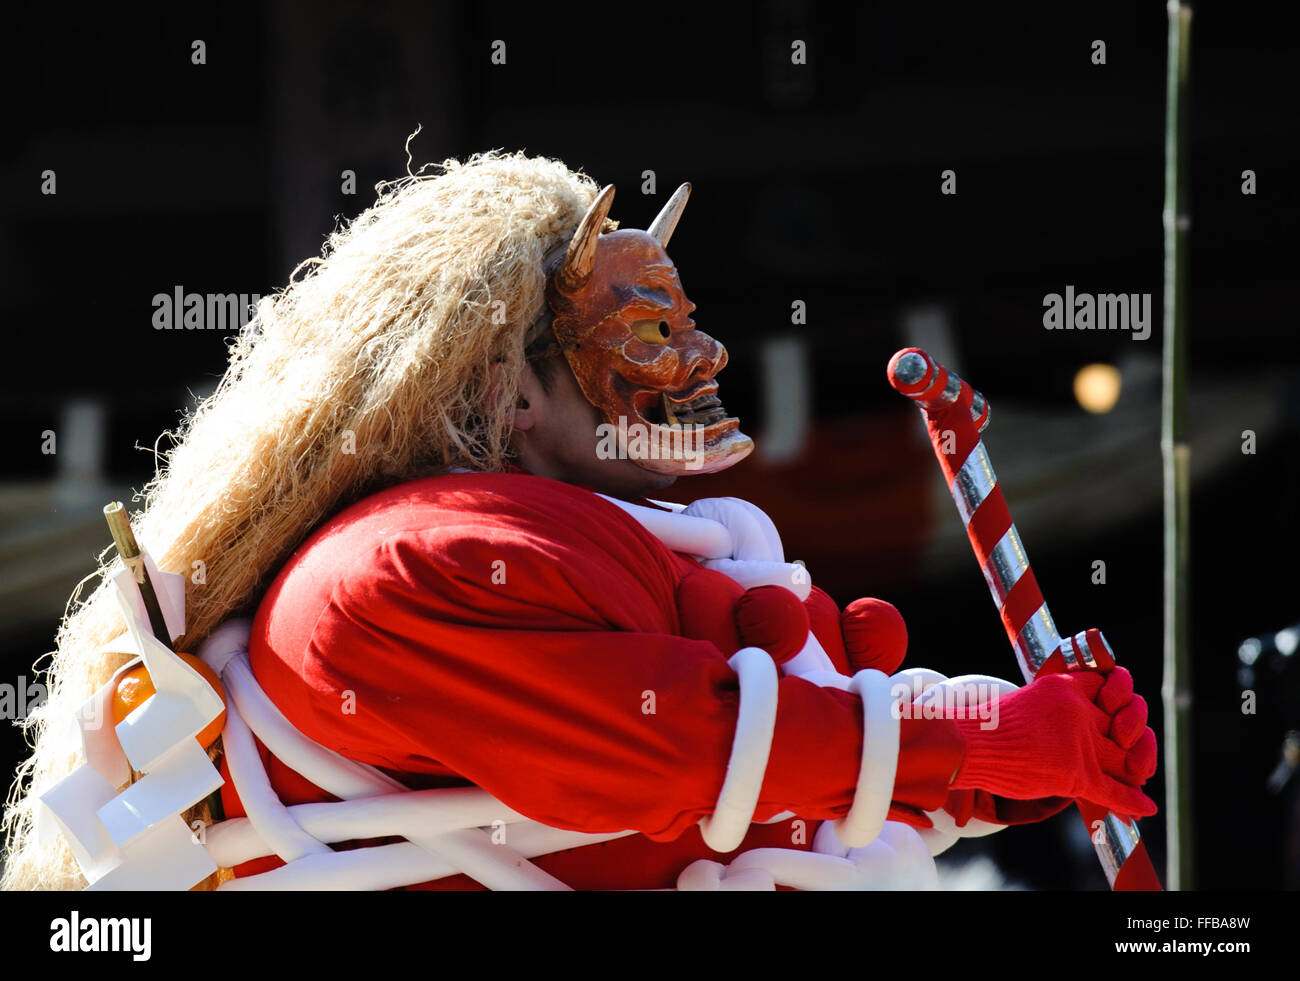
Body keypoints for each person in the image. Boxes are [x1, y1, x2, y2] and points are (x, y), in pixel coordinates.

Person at [2, 150, 1157, 890]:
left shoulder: (576, 538)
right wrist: (975, 744)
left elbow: (766, 750)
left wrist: (995, 738)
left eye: (688, 321)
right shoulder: (410, 563)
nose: (702, 355)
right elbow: (674, 746)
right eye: (646, 335)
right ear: (505, 387)